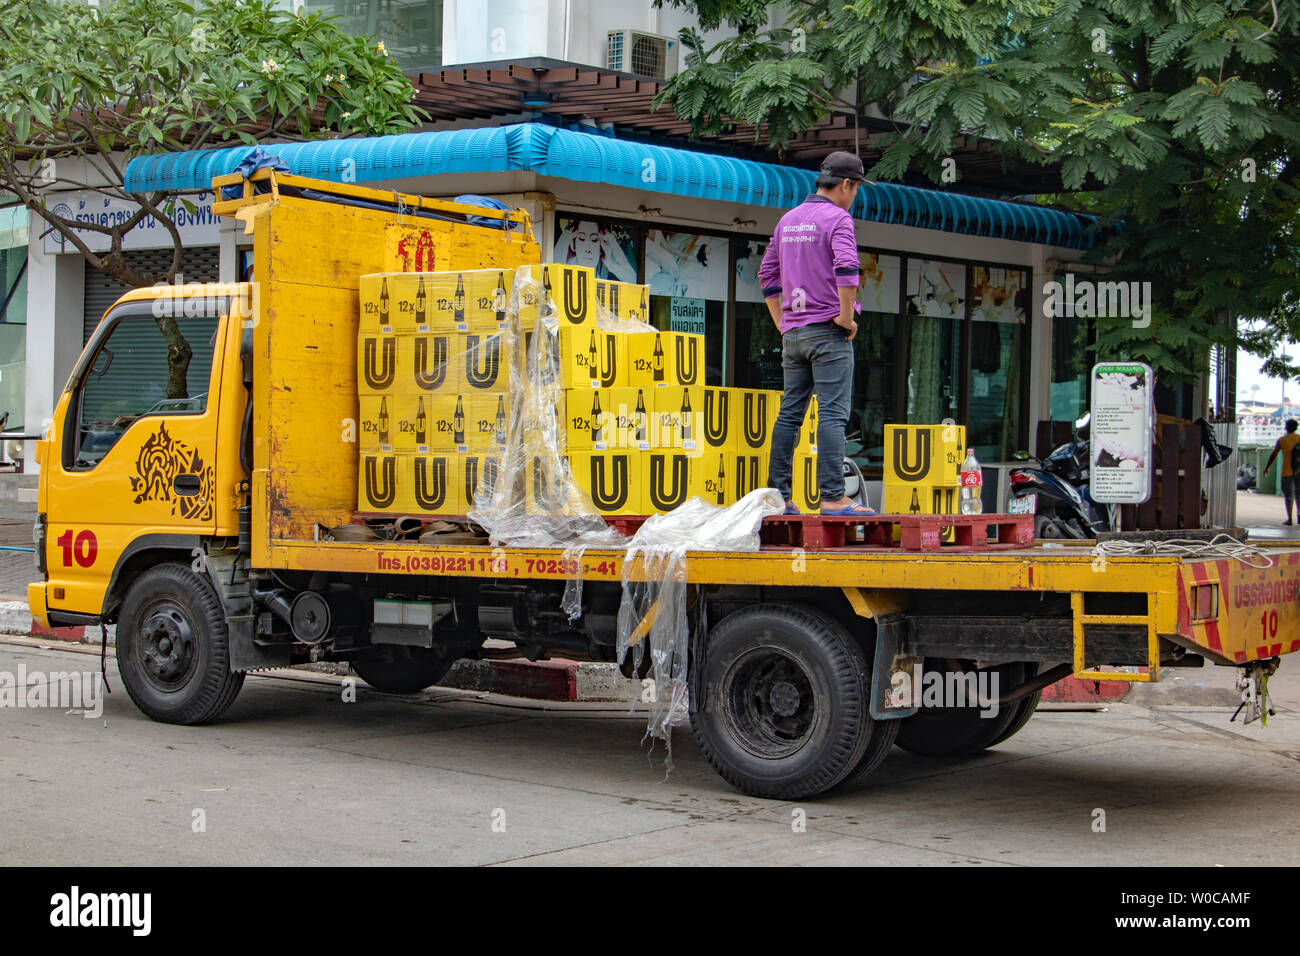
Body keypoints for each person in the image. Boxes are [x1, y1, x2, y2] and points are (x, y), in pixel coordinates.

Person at [758, 151, 872, 516]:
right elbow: (848, 268)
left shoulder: (788, 220)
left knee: (790, 413)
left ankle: (779, 498)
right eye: (855, 189)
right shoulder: (838, 219)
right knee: (833, 415)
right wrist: (845, 318)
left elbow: (766, 276)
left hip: (793, 333)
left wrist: (781, 321)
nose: (854, 197)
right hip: (828, 332)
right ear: (846, 184)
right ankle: (834, 497)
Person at [1263, 418, 1300, 525]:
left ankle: (1290, 519)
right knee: (1299, 494)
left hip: (1287, 472)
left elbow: (1273, 455)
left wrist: (1267, 467)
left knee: (1289, 496)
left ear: (1286, 428)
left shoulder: (1282, 440)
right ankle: (1299, 515)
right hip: (1299, 472)